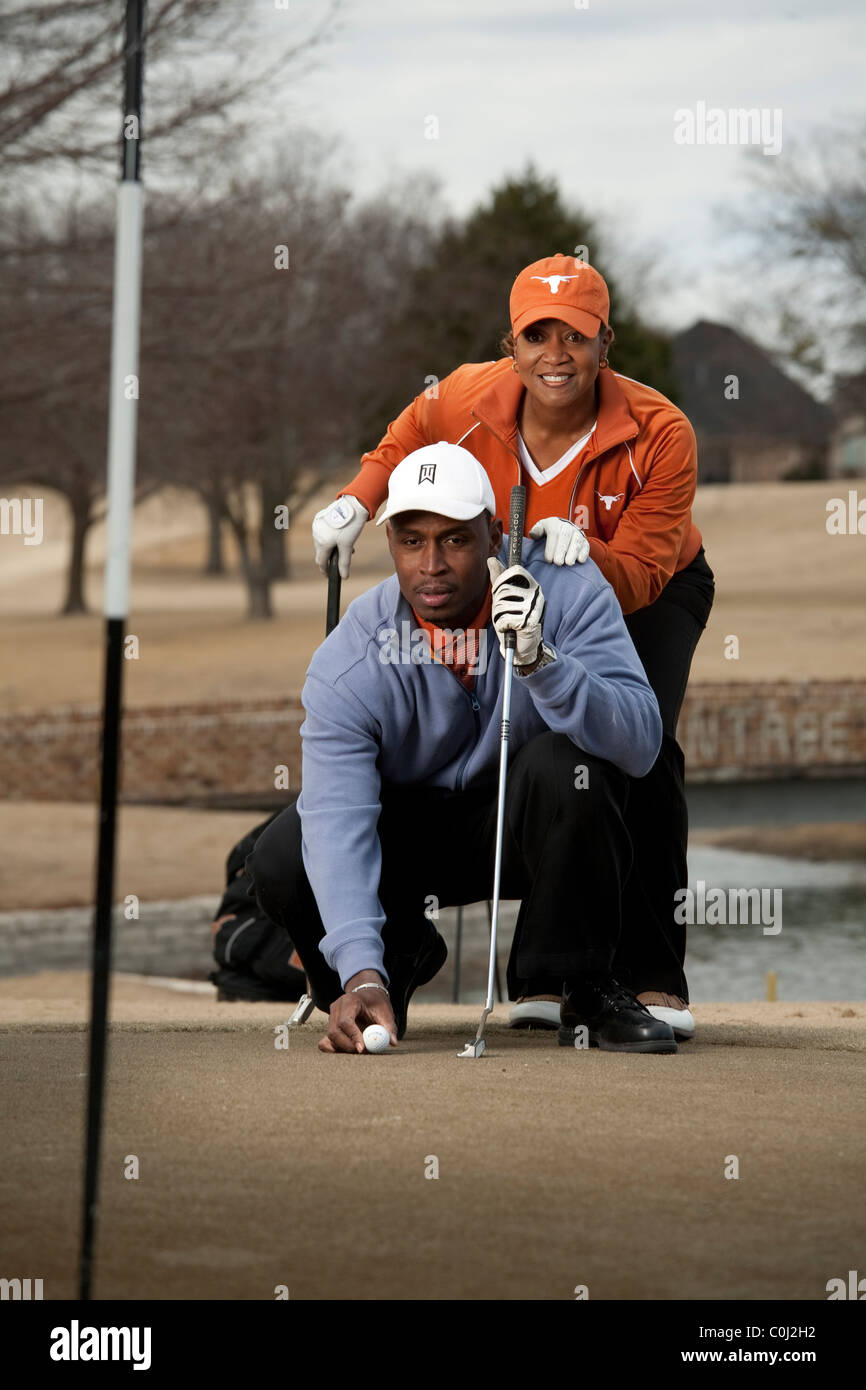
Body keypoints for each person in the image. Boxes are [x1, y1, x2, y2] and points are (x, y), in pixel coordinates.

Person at [310, 253, 715, 1039]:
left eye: (576, 335)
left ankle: (647, 972)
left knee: (639, 748)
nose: (555, 355)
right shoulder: (464, 395)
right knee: (552, 750)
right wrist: (356, 502)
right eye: (537, 335)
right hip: (513, 570)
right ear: (512, 341)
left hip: (647, 586)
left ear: (607, 343)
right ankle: (539, 975)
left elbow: (635, 573)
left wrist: (584, 551)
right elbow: (403, 441)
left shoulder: (661, 432)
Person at [250, 444, 678, 1054]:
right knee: (283, 853)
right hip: (406, 846)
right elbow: (337, 821)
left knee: (574, 767)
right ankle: (378, 978)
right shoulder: (350, 659)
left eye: (454, 539)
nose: (431, 565)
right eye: (411, 540)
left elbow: (640, 743)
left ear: (496, 536)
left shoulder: (568, 588)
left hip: (527, 828)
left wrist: (542, 664)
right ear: (390, 542)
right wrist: (359, 967)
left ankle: (584, 986)